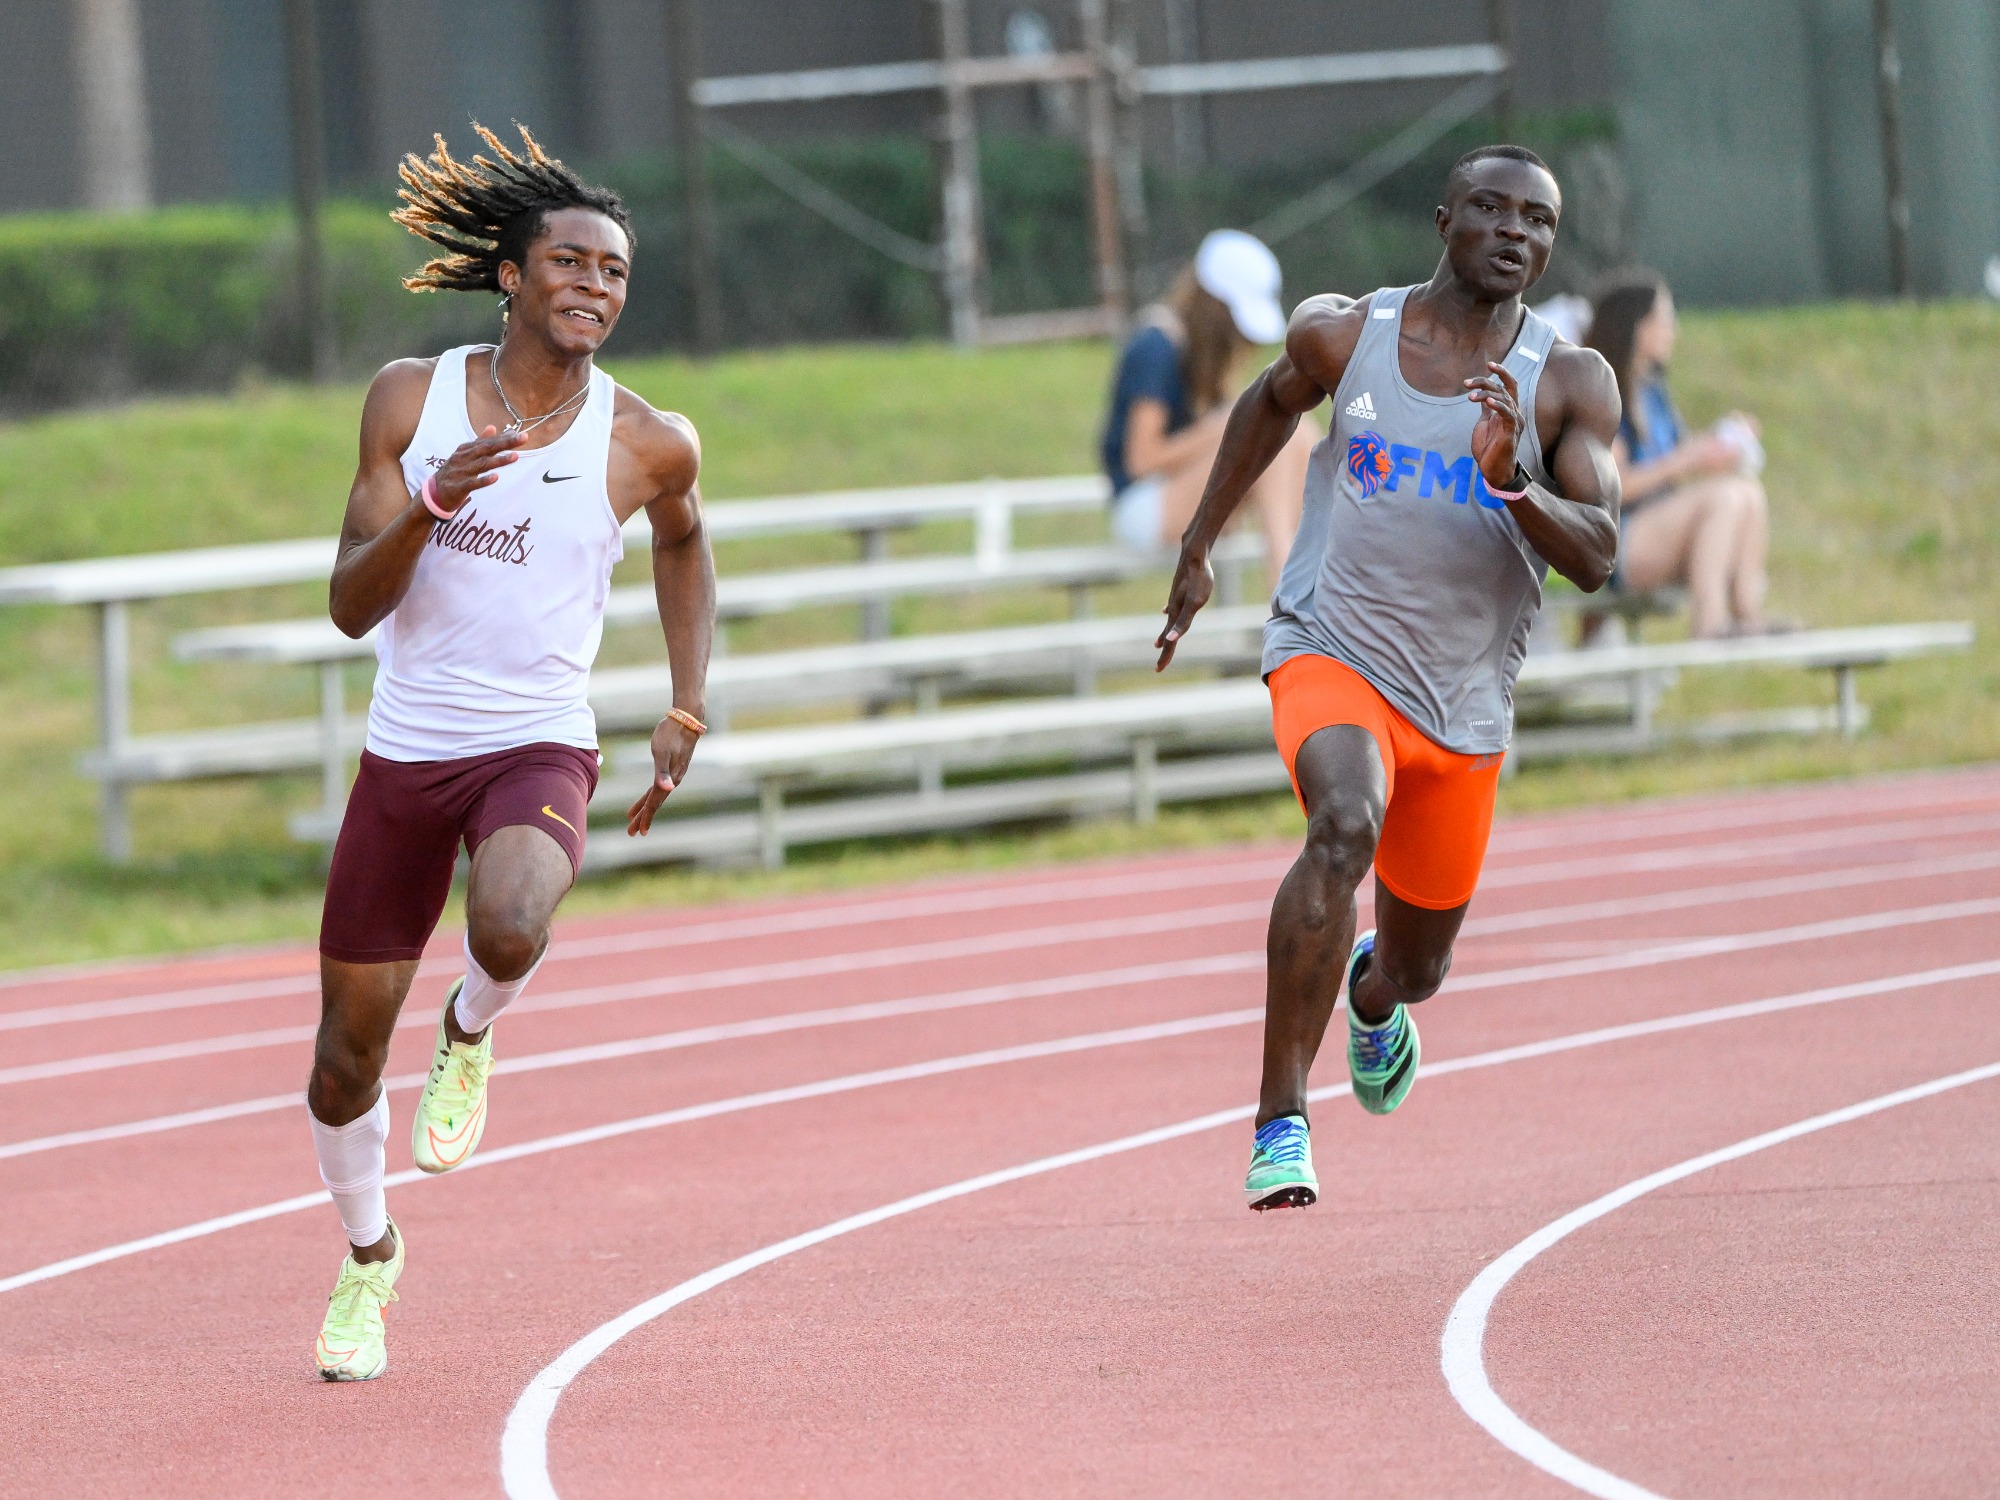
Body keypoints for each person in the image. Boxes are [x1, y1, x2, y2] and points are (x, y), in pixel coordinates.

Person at [307, 124, 715, 1380]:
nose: (595, 286)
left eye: (614, 273)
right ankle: (371, 1259)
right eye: (573, 264)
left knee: (510, 925)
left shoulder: (650, 440)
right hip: (405, 753)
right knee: (340, 1065)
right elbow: (348, 606)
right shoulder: (407, 401)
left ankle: (474, 1029)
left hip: (538, 739)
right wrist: (432, 505)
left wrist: (685, 703)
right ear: (511, 276)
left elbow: (683, 545)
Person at [1153, 146, 1622, 1211]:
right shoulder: (1341, 331)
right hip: (1331, 647)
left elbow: (1597, 555)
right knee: (1341, 824)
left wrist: (1513, 483)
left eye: (1538, 222)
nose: (1515, 233)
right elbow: (1269, 407)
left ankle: (1371, 1001)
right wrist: (1199, 543)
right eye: (1493, 211)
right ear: (1443, 218)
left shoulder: (1565, 381)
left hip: (1459, 704)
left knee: (1416, 970)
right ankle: (1280, 1121)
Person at [1100, 229, 1318, 582]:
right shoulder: (1157, 347)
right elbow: (1142, 460)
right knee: (1278, 435)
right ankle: (1286, 598)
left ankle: (1299, 575)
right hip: (1143, 507)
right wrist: (1223, 427)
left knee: (1299, 431)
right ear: (1216, 307)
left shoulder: (1200, 357)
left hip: (1183, 497)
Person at [1585, 272, 1781, 638]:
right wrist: (1686, 460)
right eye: (1664, 319)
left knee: (1747, 492)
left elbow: (1679, 458)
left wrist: (1722, 443)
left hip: (1660, 531)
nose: (1672, 330)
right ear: (1637, 327)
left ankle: (1747, 615)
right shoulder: (1602, 391)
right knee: (1724, 497)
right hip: (1619, 547)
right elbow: (1615, 488)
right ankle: (1709, 625)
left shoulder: (1653, 391)